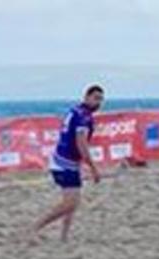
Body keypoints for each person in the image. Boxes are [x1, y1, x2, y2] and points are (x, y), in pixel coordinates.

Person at [30, 85, 104, 243]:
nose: (99, 102)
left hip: (65, 160)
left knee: (72, 202)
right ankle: (34, 228)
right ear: (86, 97)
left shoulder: (75, 110)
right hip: (64, 163)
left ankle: (64, 236)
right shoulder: (83, 117)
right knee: (70, 203)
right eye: (96, 98)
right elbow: (81, 144)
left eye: (101, 99)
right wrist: (93, 168)